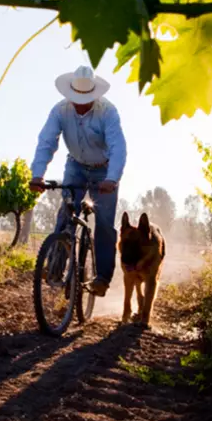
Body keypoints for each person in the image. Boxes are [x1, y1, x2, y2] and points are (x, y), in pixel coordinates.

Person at [29, 65, 127, 297]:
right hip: (75, 165)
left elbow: (118, 147)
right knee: (66, 212)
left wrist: (112, 178)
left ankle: (102, 278)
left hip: (104, 171)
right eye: (76, 99)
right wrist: (38, 174)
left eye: (85, 99)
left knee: (103, 222)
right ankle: (54, 266)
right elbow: (46, 141)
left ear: (94, 96)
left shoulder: (108, 112)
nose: (80, 104)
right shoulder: (60, 111)